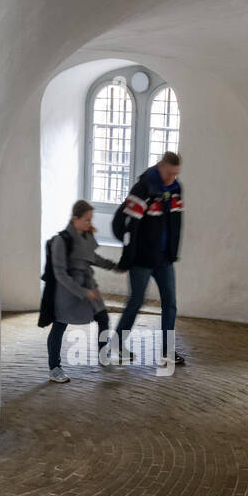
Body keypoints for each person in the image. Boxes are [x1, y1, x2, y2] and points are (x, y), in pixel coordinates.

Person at [112, 151, 184, 367]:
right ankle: (116, 344)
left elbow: (176, 222)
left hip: (163, 260)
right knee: (136, 302)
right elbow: (130, 228)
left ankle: (168, 351)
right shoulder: (142, 189)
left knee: (170, 303)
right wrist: (127, 260)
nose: (173, 178)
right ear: (161, 166)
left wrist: (172, 252)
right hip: (141, 259)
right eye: (170, 173)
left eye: (176, 174)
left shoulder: (175, 189)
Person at [37, 199, 122, 383]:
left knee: (103, 317)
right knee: (59, 326)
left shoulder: (86, 237)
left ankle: (103, 356)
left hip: (87, 286)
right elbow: (59, 273)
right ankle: (54, 368)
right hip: (66, 291)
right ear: (75, 218)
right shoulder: (61, 240)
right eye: (86, 219)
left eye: (91, 219)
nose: (89, 223)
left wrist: (114, 266)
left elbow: (93, 258)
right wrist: (83, 292)